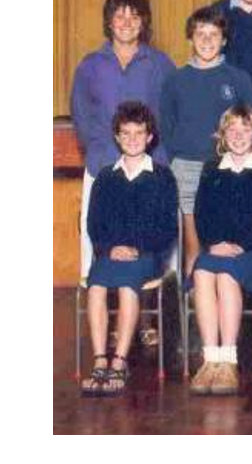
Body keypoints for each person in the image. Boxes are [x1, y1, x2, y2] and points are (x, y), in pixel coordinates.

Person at [71, 0, 175, 348]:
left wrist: (157, 154)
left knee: (147, 247)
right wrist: (102, 153)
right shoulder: (90, 65)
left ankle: (145, 319)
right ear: (109, 21)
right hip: (105, 167)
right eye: (120, 15)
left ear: (144, 22)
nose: (127, 22)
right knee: (105, 245)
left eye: (134, 16)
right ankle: (111, 323)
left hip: (150, 164)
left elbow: (170, 114)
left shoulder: (160, 63)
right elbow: (82, 117)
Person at [80, 101, 177, 396]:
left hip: (146, 255)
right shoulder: (106, 177)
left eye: (139, 133)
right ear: (117, 137)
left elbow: (166, 227)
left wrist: (136, 249)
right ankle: (100, 360)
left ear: (149, 137)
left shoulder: (162, 177)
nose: (133, 139)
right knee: (95, 286)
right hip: (110, 253)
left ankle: (120, 361)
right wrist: (110, 248)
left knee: (126, 286)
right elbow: (94, 223)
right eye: (126, 133)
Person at [188, 104, 252, 395]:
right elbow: (201, 214)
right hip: (218, 249)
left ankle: (228, 360)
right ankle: (210, 359)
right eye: (232, 129)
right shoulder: (211, 167)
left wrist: (240, 245)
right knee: (201, 271)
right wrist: (215, 244)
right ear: (222, 134)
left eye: (245, 129)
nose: (239, 135)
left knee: (227, 275)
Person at [160, 6, 252, 286]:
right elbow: (166, 127)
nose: (207, 40)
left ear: (224, 40)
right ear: (190, 39)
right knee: (194, 245)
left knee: (228, 243)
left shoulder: (238, 79)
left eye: (214, 34)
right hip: (187, 168)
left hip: (227, 168)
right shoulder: (175, 80)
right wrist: (181, 158)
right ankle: (193, 310)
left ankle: (230, 302)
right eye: (200, 34)